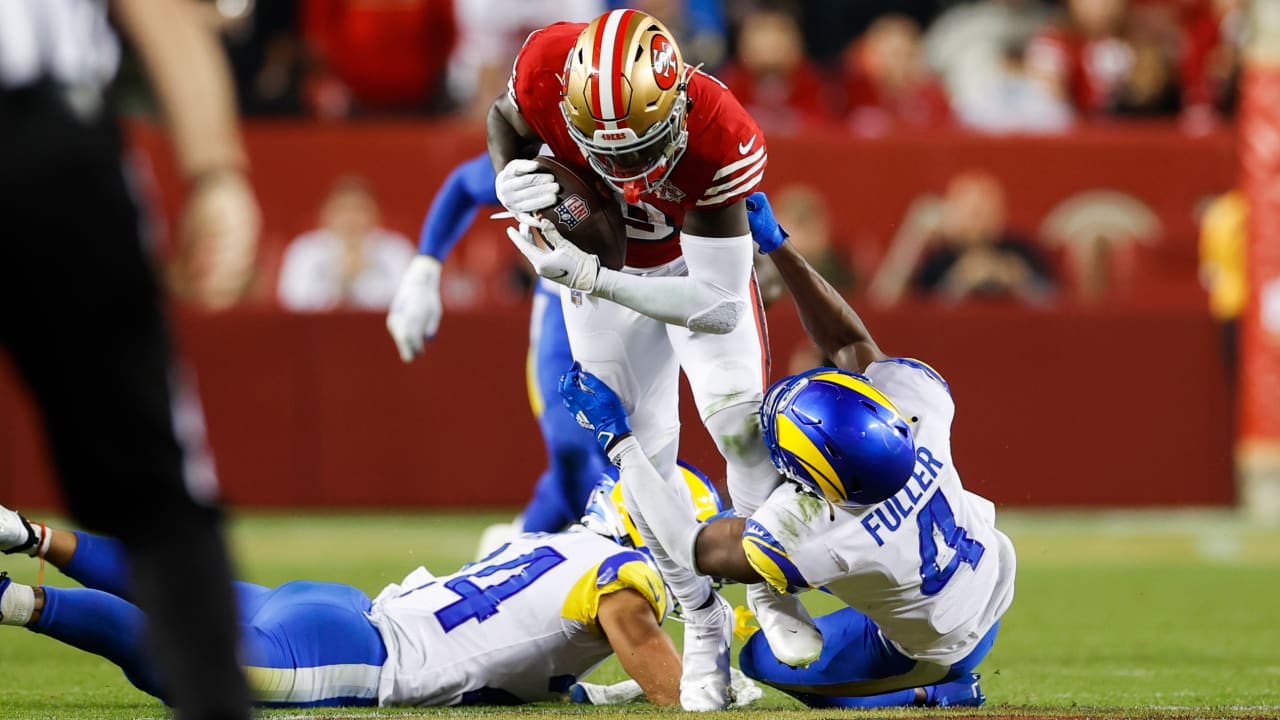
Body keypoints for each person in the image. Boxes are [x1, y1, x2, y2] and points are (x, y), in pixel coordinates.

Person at [558, 191, 1016, 709]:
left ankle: (932, 687)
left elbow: (689, 546)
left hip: (939, 644)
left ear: (820, 485)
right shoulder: (916, 410)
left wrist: (619, 440)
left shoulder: (811, 534)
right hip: (991, 582)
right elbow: (850, 342)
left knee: (763, 661)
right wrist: (779, 246)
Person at [487, 9, 818, 709]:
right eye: (603, 151)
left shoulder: (719, 133)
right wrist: (508, 177)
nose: (620, 170)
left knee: (739, 424)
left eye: (638, 150)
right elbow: (504, 119)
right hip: (595, 268)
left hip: (681, 272)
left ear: (675, 106)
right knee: (638, 453)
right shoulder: (545, 68)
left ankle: (768, 589)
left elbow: (719, 305)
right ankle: (702, 620)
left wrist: (593, 278)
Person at [0, 1, 260, 717]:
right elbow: (166, 9)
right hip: (51, 139)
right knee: (155, 494)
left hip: (51, 131)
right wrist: (216, 171)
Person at [0, 465, 743, 708]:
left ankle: (27, 534)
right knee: (192, 664)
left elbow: (519, 666)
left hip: (345, 609)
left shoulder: (554, 541)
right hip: (364, 648)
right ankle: (15, 599)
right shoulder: (621, 576)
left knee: (195, 597)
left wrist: (607, 695)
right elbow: (630, 623)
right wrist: (692, 694)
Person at [278, 176, 416, 311]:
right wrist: (339, 278)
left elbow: (408, 303)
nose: (351, 218)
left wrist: (361, 279)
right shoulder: (303, 250)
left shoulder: (398, 250)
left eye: (359, 209)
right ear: (324, 213)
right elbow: (292, 303)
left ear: (376, 213)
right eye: (342, 210)